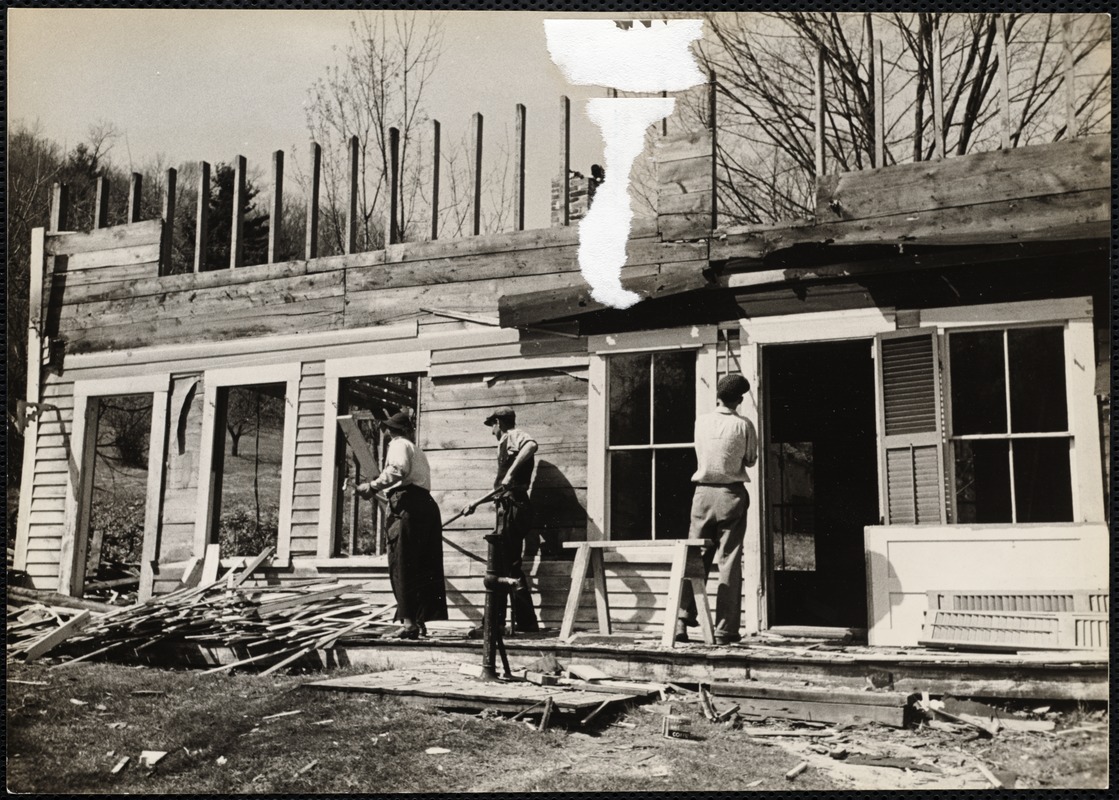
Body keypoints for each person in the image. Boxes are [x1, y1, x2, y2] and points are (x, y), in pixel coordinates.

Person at [677, 374, 759, 646]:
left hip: (702, 495)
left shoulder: (700, 421)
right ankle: (725, 631)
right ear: (739, 399)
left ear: (718, 396)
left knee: (695, 557)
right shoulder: (743, 424)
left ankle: (681, 618)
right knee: (729, 561)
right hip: (730, 495)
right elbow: (750, 460)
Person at [355, 412, 447, 639]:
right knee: (423, 565)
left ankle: (409, 625)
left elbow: (397, 471)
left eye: (386, 429)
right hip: (426, 505)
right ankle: (419, 620)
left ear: (389, 431)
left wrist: (373, 487)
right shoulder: (418, 450)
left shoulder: (398, 445)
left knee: (402, 562)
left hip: (407, 505)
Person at [461, 406, 540, 633]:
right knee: (509, 566)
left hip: (514, 507)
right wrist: (475, 503)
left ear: (499, 422)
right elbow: (500, 489)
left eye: (492, 426)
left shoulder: (513, 435)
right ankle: (524, 623)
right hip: (507, 504)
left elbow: (532, 446)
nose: (491, 431)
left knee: (501, 566)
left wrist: (510, 473)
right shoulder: (504, 443)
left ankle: (494, 624)